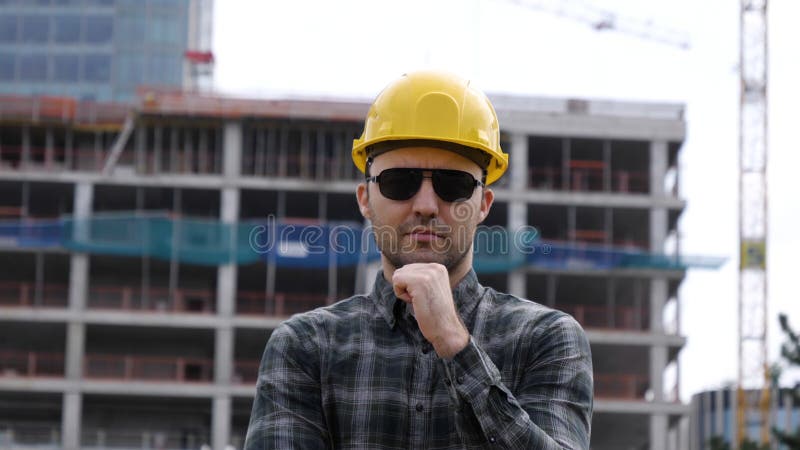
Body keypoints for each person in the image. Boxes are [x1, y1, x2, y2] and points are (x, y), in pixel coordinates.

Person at [244, 70, 593, 449]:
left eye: (453, 185)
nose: (426, 206)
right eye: (399, 182)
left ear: (483, 205)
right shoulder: (305, 347)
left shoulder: (546, 338)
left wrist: (456, 345)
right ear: (364, 199)